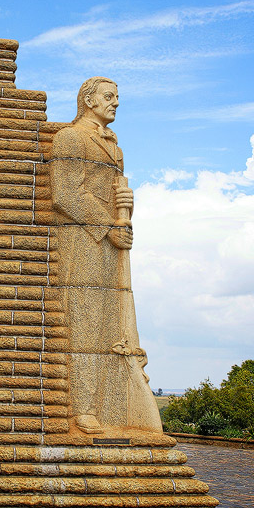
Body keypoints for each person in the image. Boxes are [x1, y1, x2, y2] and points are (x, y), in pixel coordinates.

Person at [50, 77, 160, 435]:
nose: (116, 103)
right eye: (109, 97)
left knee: (111, 328)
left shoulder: (116, 146)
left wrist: (125, 212)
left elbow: (108, 196)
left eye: (117, 97)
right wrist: (107, 225)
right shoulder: (70, 137)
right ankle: (82, 408)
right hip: (82, 243)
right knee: (85, 325)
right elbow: (65, 194)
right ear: (88, 100)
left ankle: (114, 403)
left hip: (109, 242)